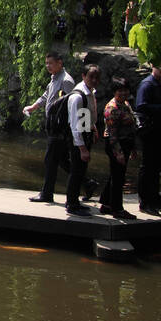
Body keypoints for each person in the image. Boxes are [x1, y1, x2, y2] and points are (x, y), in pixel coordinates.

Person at [24, 51, 76, 205]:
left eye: (50, 63)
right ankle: (87, 183)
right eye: (46, 63)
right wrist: (33, 107)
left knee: (50, 160)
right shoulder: (54, 78)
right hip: (53, 125)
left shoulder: (66, 81)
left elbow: (68, 104)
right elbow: (47, 95)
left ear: (59, 63)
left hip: (59, 126)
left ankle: (47, 194)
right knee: (61, 160)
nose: (47, 66)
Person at [134, 61, 161, 214]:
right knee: (148, 166)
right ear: (153, 66)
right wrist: (160, 108)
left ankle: (155, 197)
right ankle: (145, 201)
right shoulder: (147, 85)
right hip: (150, 130)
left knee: (158, 165)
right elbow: (140, 106)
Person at [63, 65, 102, 216]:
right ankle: (71, 205)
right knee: (76, 171)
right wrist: (82, 148)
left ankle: (75, 201)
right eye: (91, 77)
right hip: (76, 139)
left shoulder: (90, 93)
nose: (94, 80)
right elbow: (75, 124)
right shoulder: (77, 97)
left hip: (85, 135)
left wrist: (93, 128)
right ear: (83, 76)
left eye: (97, 77)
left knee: (81, 170)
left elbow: (86, 117)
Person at [100, 77, 138, 219]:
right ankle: (117, 209)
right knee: (118, 178)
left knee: (116, 175)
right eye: (120, 90)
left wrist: (133, 148)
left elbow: (131, 126)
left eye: (125, 90)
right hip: (116, 145)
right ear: (114, 91)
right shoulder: (112, 109)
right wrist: (119, 153)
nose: (123, 93)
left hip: (126, 142)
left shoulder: (125, 103)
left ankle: (106, 203)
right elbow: (112, 134)